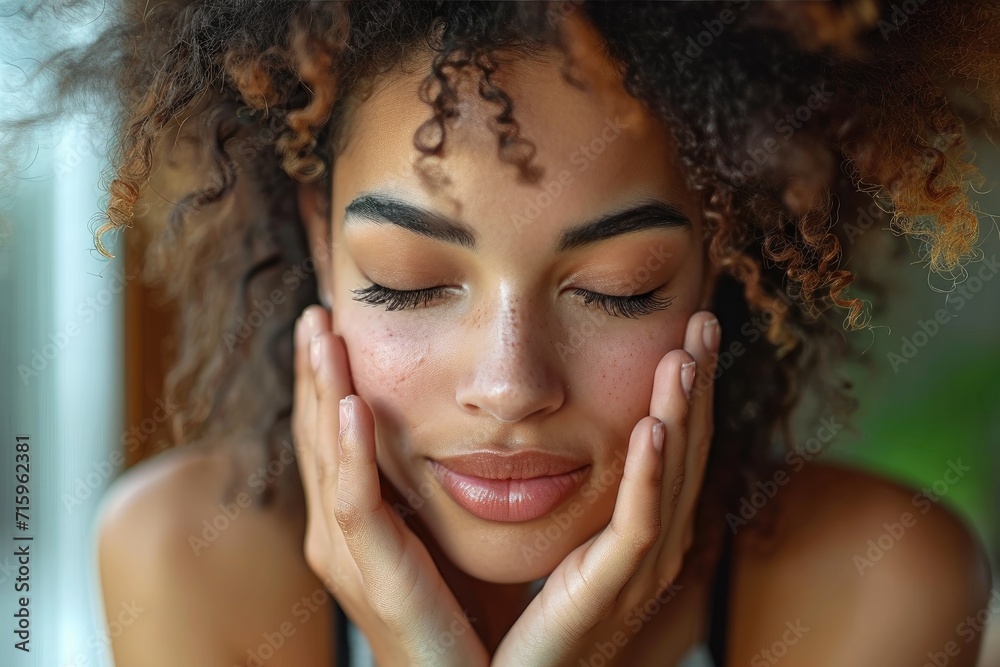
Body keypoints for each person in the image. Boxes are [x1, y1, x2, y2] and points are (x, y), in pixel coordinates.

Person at [27, 0, 989, 664]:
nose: (511, 381)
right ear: (322, 241)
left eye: (618, 288)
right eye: (409, 283)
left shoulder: (879, 583)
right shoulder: (185, 560)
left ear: (717, 257)